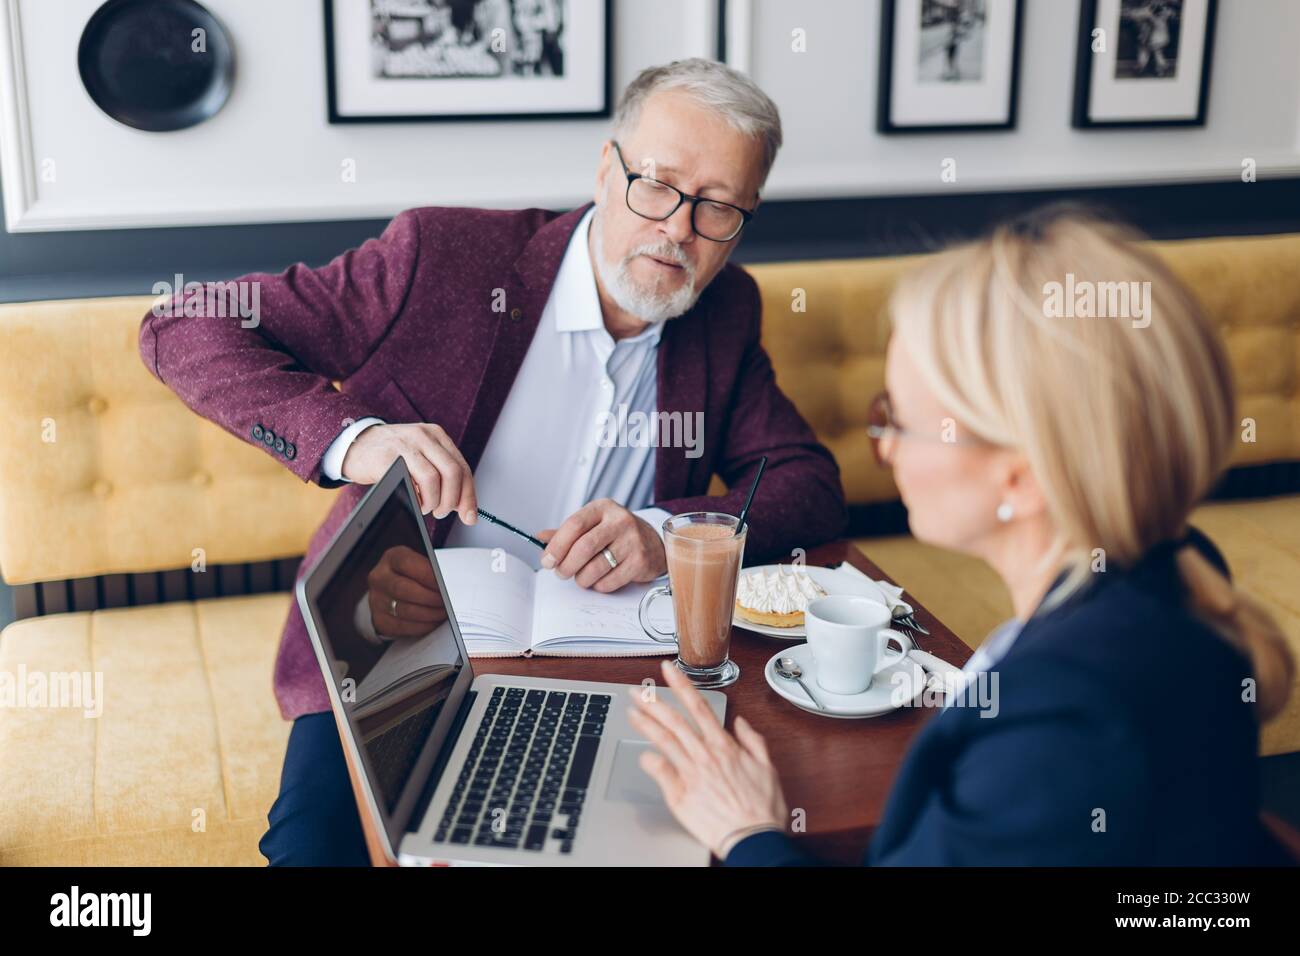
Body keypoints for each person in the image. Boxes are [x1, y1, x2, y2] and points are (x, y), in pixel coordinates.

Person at [137, 57, 848, 865]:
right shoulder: (442, 257)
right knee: (311, 851)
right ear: (605, 168)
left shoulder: (725, 309)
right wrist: (356, 439)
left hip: (613, 665)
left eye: (719, 207)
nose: (679, 229)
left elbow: (805, 484)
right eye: (658, 184)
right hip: (392, 648)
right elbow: (186, 325)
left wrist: (662, 533)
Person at [628, 208, 1297, 866]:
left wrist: (748, 833)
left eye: (900, 421)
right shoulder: (1176, 574)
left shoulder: (1061, 726)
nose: (884, 451)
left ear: (1020, 480)